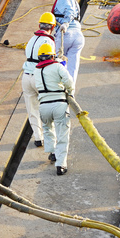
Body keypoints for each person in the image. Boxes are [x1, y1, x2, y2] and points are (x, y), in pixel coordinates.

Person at [35, 43, 75, 175]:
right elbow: (68, 80)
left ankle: (52, 152)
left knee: (47, 128)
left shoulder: (36, 70)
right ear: (52, 55)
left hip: (44, 105)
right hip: (59, 104)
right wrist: (70, 91)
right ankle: (61, 164)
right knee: (62, 135)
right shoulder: (57, 66)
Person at [22, 12, 57, 148]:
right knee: (48, 108)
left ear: (39, 25)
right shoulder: (48, 41)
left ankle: (38, 138)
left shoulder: (32, 39)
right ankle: (51, 142)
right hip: (39, 77)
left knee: (32, 109)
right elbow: (50, 60)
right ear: (52, 27)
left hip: (26, 77)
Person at [51, 0, 85, 82]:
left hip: (66, 35)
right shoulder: (74, 1)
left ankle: (58, 90)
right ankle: (70, 91)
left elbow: (69, 12)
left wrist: (65, 23)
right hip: (78, 36)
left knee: (57, 64)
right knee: (72, 68)